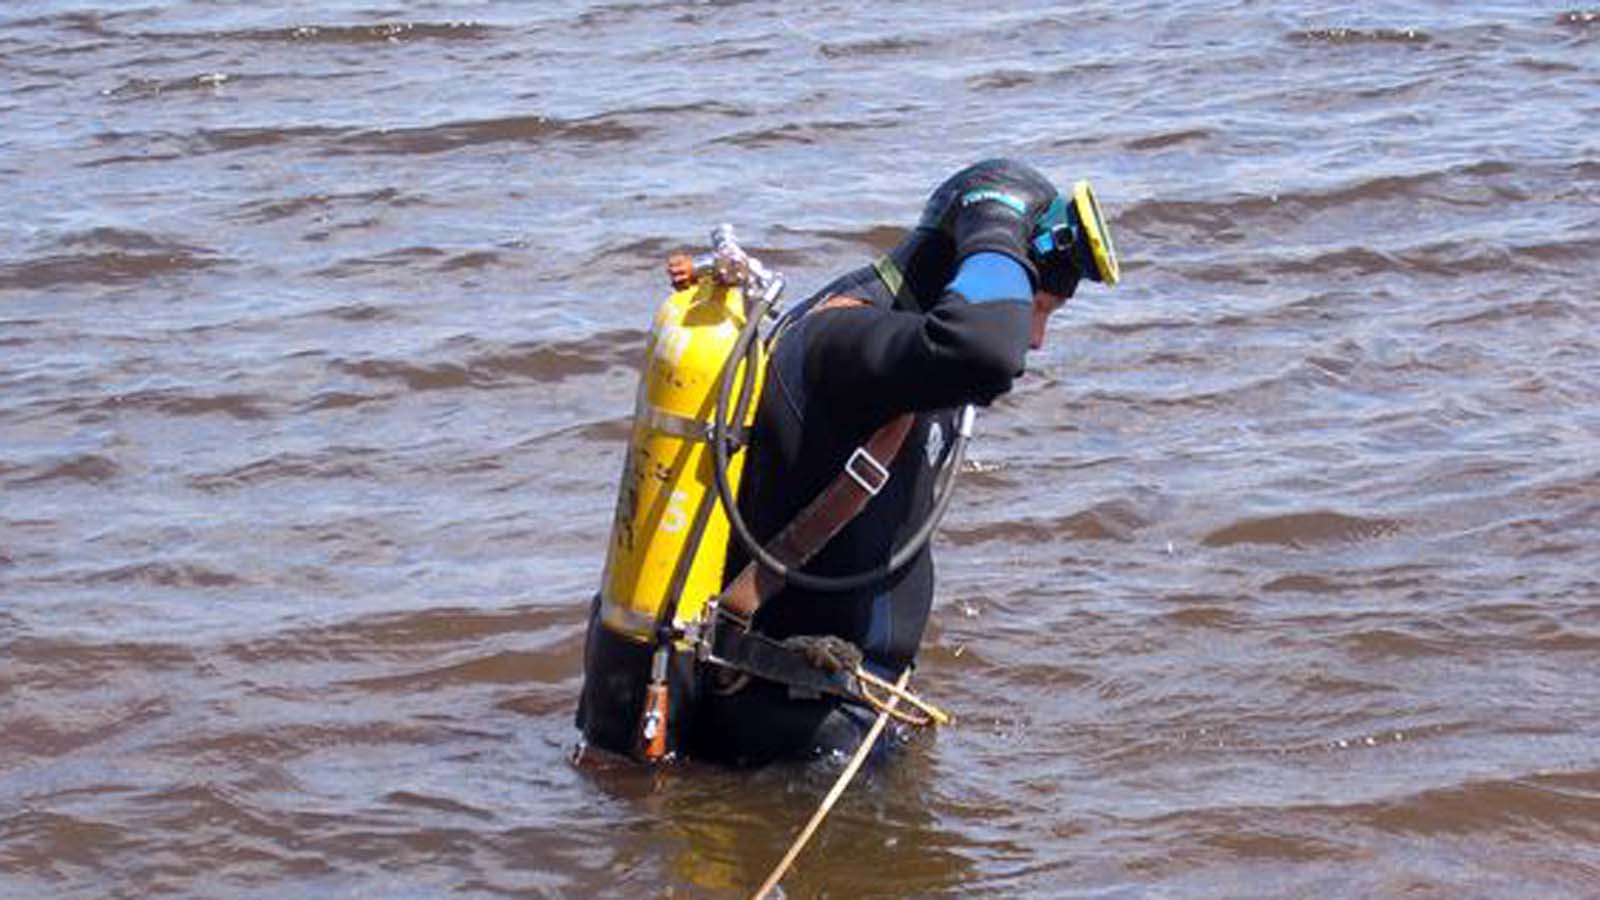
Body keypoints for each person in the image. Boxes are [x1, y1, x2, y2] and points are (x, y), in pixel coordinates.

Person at [686, 159, 1119, 766]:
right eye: (1035, 307)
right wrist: (996, 225)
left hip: (839, 716)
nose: (1036, 337)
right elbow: (983, 349)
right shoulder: (845, 343)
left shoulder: (900, 348)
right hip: (789, 742)